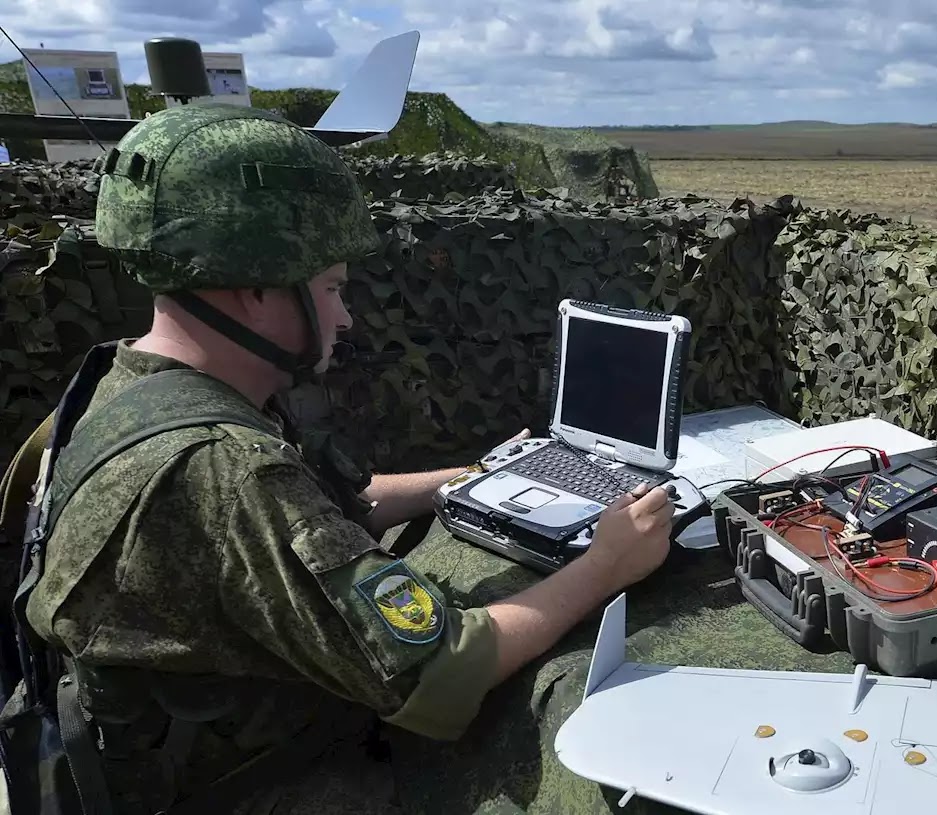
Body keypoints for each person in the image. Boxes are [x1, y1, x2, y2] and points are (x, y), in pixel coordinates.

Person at [3, 102, 674, 814]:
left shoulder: (115, 391)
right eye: (330, 287)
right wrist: (605, 566)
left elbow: (311, 517)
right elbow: (444, 672)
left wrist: (470, 477)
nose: (346, 315)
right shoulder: (225, 470)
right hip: (251, 787)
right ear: (254, 287)